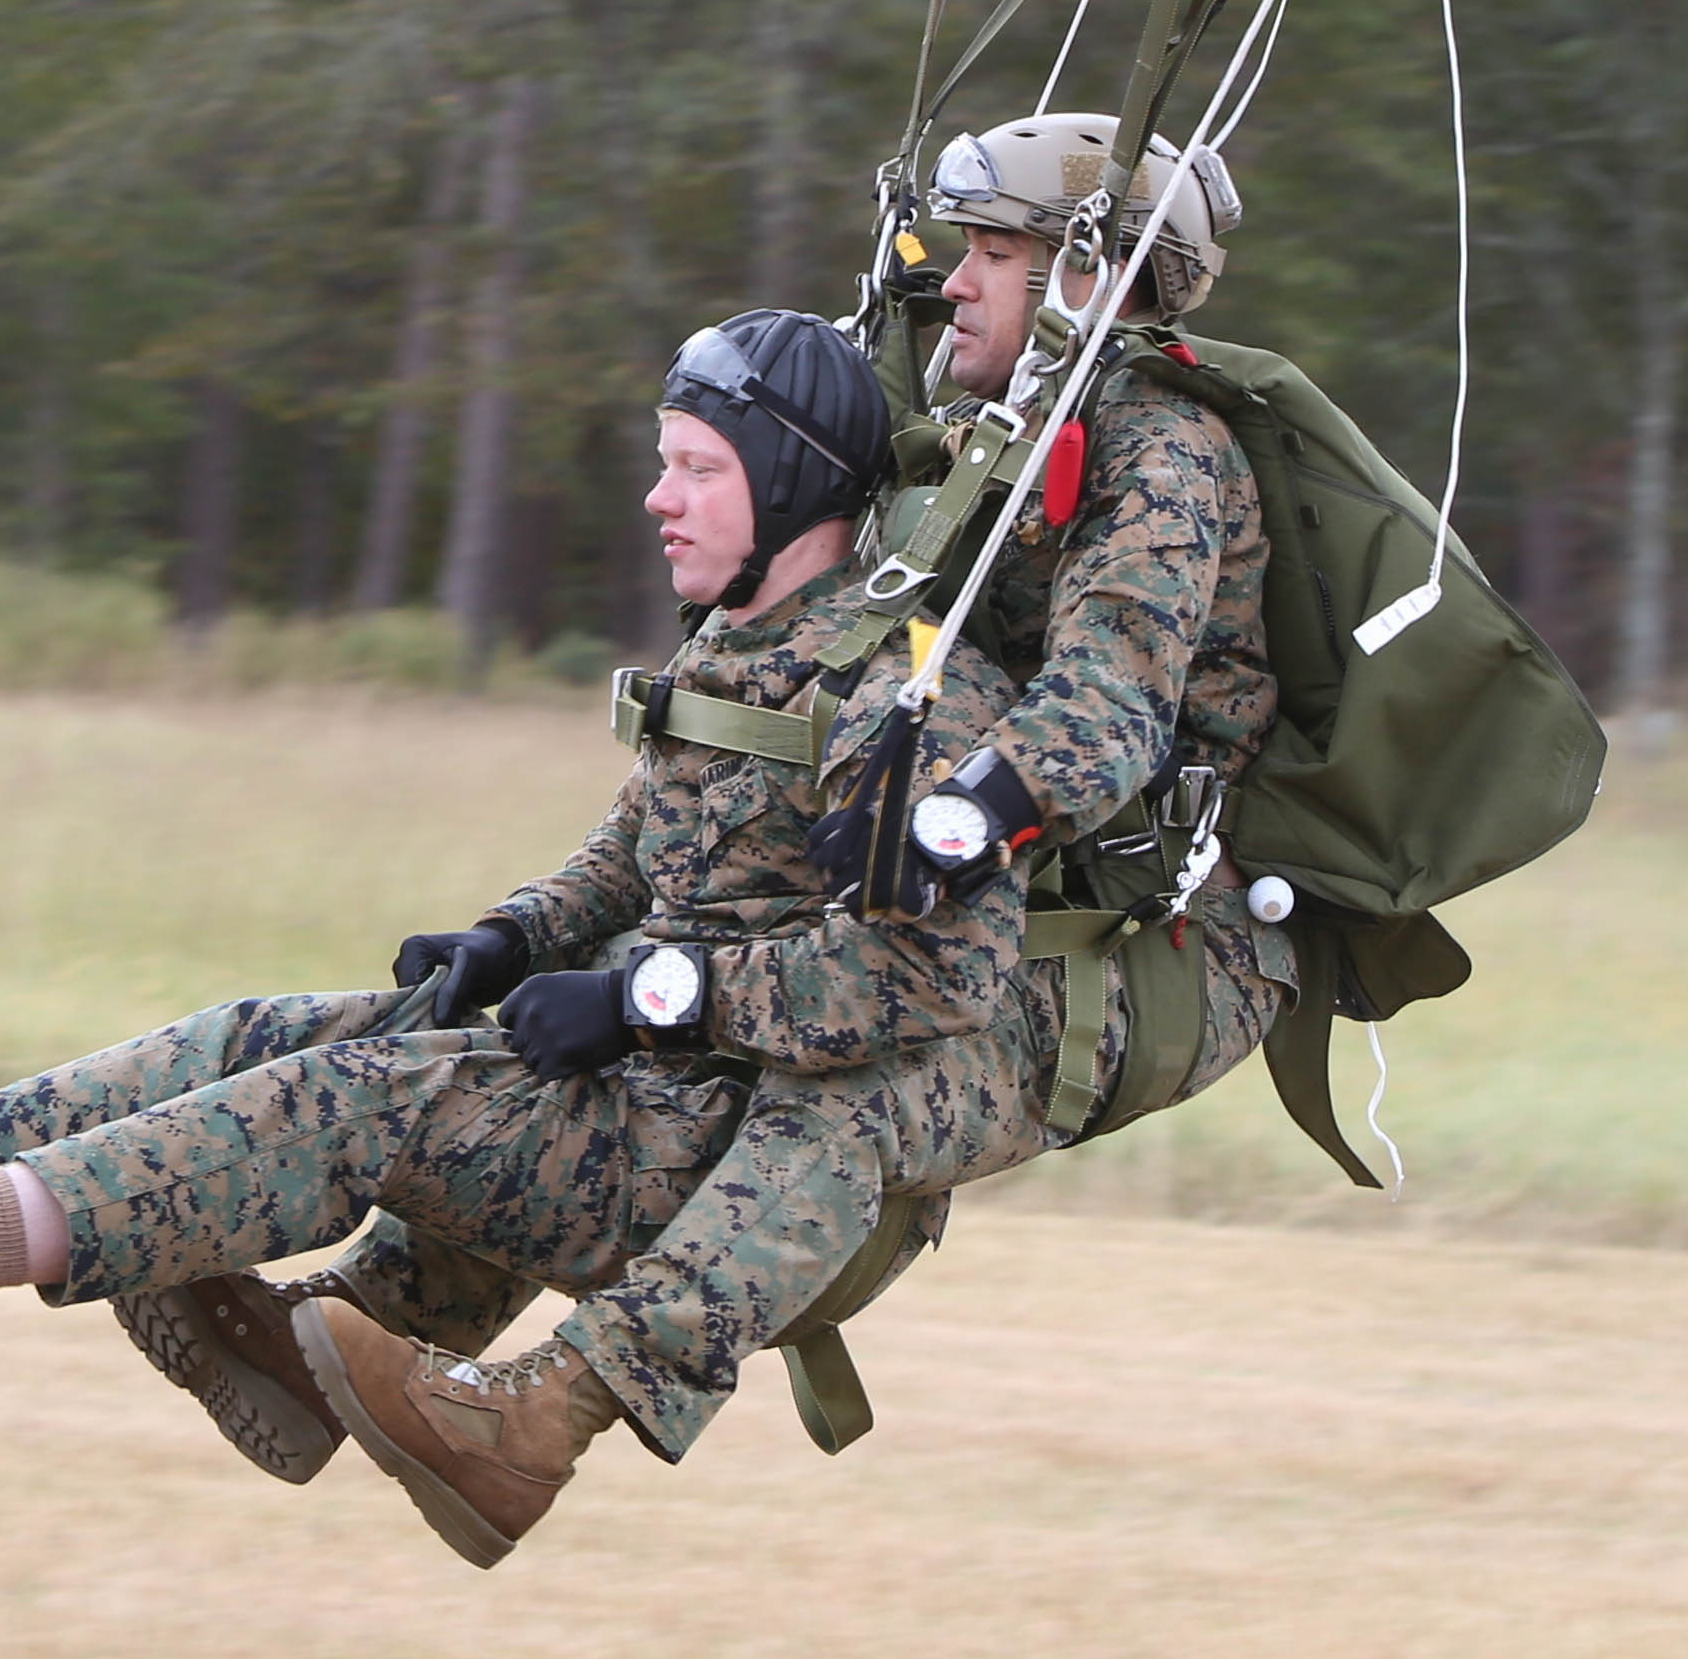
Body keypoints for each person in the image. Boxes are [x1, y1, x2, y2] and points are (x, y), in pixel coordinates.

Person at [0, 308, 1037, 1567]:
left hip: (722, 1172)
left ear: (790, 484)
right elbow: (645, 844)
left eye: (697, 469)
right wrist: (520, 938)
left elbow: (939, 981)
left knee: (341, 1104)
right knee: (266, 1035)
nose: (660, 497)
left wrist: (651, 997)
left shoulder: (913, 689)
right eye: (664, 464)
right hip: (644, 1101)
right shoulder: (742, 640)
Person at [268, 106, 1300, 1555]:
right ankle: (383, 1321)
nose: (957, 282)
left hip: (1154, 941)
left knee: (860, 1083)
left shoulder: (1165, 458)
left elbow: (1107, 720)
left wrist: (960, 815)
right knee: (621, 977)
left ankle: (544, 1421)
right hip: (996, 881)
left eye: (998, 252)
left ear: (1094, 279)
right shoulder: (978, 430)